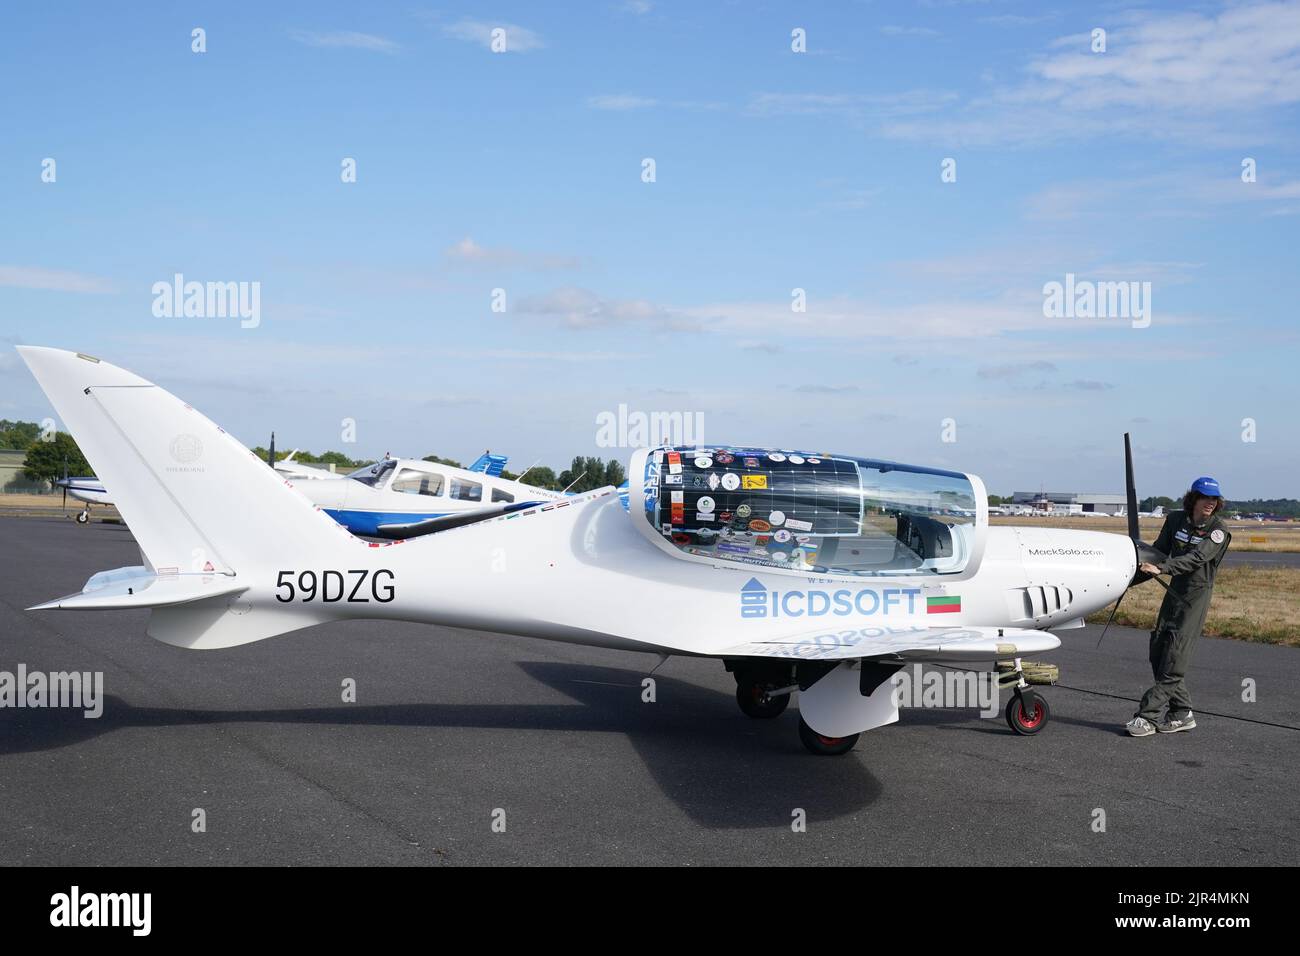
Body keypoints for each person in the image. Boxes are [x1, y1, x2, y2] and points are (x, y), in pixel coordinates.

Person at [1126, 477, 1230, 737]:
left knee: (1174, 659)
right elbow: (1159, 550)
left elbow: (1196, 559)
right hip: (1173, 592)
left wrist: (1162, 568)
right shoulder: (1175, 520)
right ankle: (1182, 712)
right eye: (1205, 497)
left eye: (1214, 499)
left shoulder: (1218, 531)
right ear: (1193, 497)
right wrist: (1129, 574)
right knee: (1159, 650)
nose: (1210, 502)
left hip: (1195, 596)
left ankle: (1147, 717)